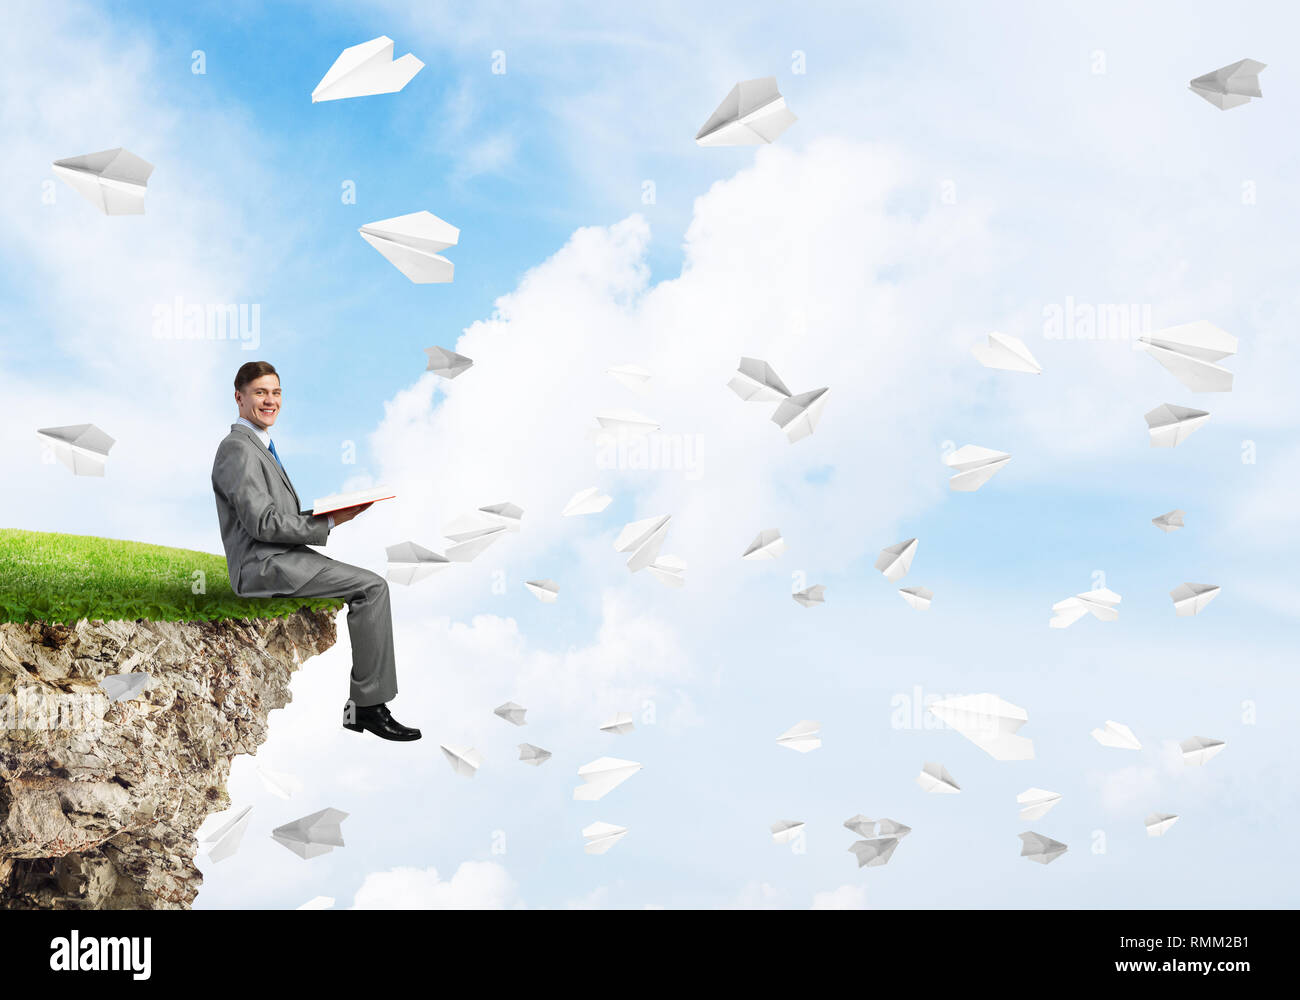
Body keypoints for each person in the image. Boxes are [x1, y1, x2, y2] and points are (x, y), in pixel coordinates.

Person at [210, 361, 420, 742]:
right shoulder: (237, 450)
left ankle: (365, 706)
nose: (270, 400)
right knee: (371, 588)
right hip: (262, 566)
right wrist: (331, 523)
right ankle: (367, 707)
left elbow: (275, 517)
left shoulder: (259, 445)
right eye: (260, 392)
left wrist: (331, 512)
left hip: (280, 556)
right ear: (239, 397)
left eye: (275, 393)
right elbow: (262, 524)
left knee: (369, 584)